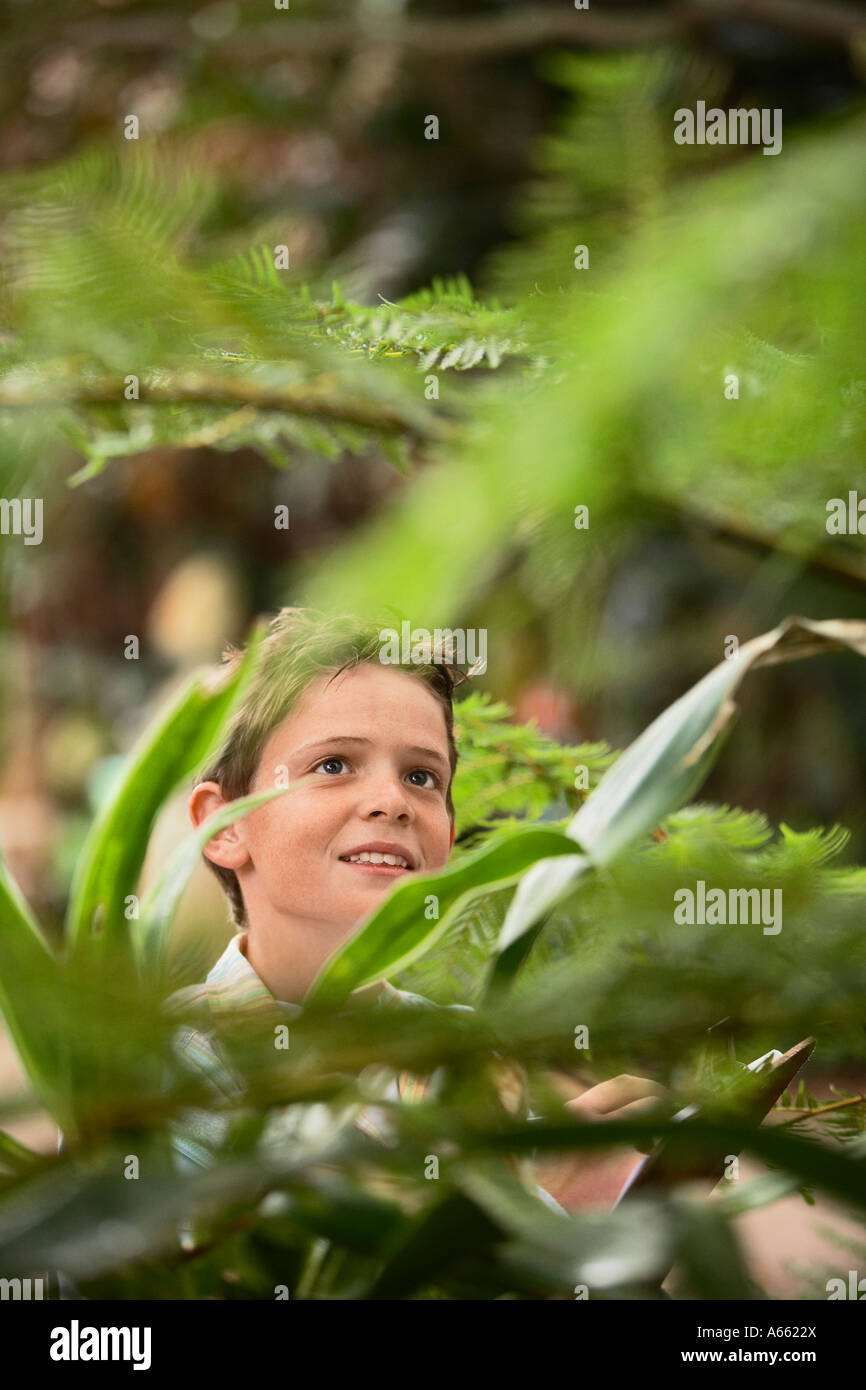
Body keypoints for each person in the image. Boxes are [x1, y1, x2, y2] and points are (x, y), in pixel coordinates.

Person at [166, 608, 666, 1209]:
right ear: (225, 825)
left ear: (450, 838)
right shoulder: (160, 1070)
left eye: (423, 777)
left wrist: (602, 1212)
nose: (392, 802)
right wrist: (533, 1204)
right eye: (333, 765)